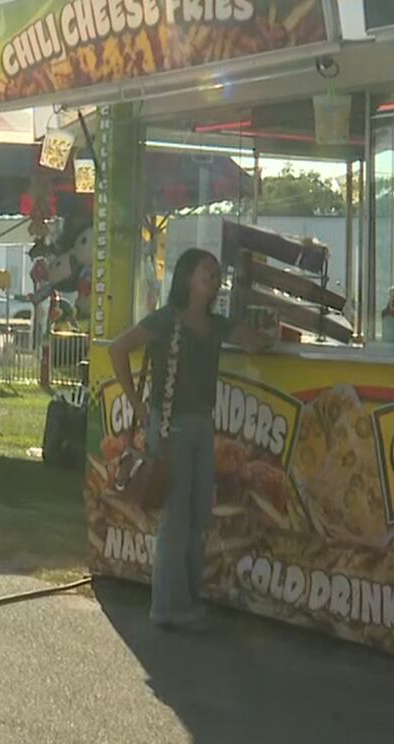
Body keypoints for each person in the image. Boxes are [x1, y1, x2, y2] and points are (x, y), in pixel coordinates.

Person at [109, 248, 271, 630]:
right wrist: (136, 403)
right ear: (186, 279)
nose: (214, 280)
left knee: (199, 514)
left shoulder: (216, 324)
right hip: (170, 429)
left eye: (217, 274)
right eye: (207, 273)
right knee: (176, 517)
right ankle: (167, 606)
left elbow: (251, 339)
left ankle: (188, 600)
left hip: (201, 426)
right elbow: (118, 348)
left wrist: (262, 333)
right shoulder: (166, 320)